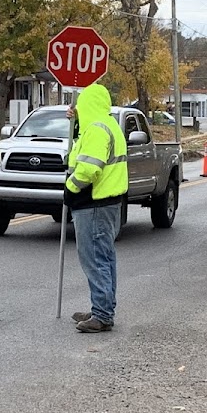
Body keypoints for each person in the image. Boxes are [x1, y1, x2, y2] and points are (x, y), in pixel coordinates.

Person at [64, 84, 129, 333]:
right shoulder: (108, 124)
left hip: (93, 202)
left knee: (94, 258)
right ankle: (103, 306)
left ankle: (102, 314)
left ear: (88, 103)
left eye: (81, 104)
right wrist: (77, 121)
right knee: (105, 257)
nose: (77, 108)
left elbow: (90, 168)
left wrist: (71, 187)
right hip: (107, 201)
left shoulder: (97, 129)